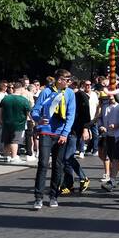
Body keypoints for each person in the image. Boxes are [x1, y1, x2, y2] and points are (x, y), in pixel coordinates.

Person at [30, 70, 76, 209]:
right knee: (43, 164)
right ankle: (38, 197)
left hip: (61, 133)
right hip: (46, 132)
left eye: (69, 80)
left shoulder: (70, 94)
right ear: (58, 80)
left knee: (58, 165)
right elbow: (35, 110)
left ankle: (54, 196)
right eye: (66, 79)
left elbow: (70, 114)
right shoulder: (46, 92)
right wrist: (38, 119)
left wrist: (65, 133)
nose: (68, 82)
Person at [0, 83, 30, 164]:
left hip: (6, 122)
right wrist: (32, 120)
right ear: (21, 89)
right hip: (18, 123)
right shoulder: (24, 100)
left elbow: (0, 110)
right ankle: (14, 157)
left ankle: (7, 156)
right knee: (15, 141)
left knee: (6, 140)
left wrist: (0, 119)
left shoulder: (6, 98)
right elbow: (29, 112)